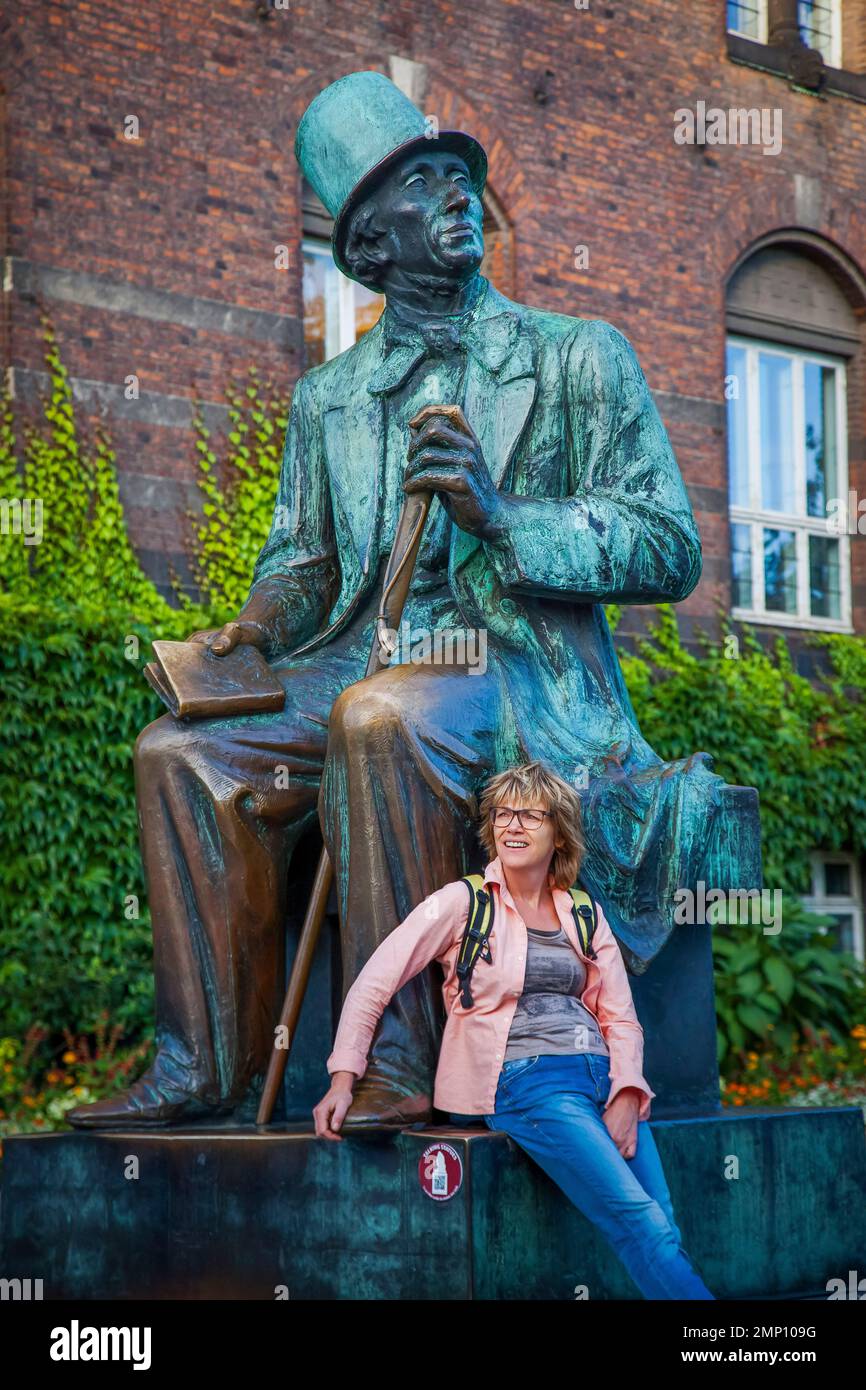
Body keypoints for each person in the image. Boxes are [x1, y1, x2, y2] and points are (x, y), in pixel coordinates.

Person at [314, 759, 715, 1301]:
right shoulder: (464, 902)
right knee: (637, 1218)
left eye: (529, 815)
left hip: (601, 1079)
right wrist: (345, 1076)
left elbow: (620, 1017)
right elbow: (373, 983)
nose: (512, 825)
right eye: (503, 814)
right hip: (526, 1083)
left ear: (559, 833)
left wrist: (626, 1091)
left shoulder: (582, 912)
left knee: (662, 1219)